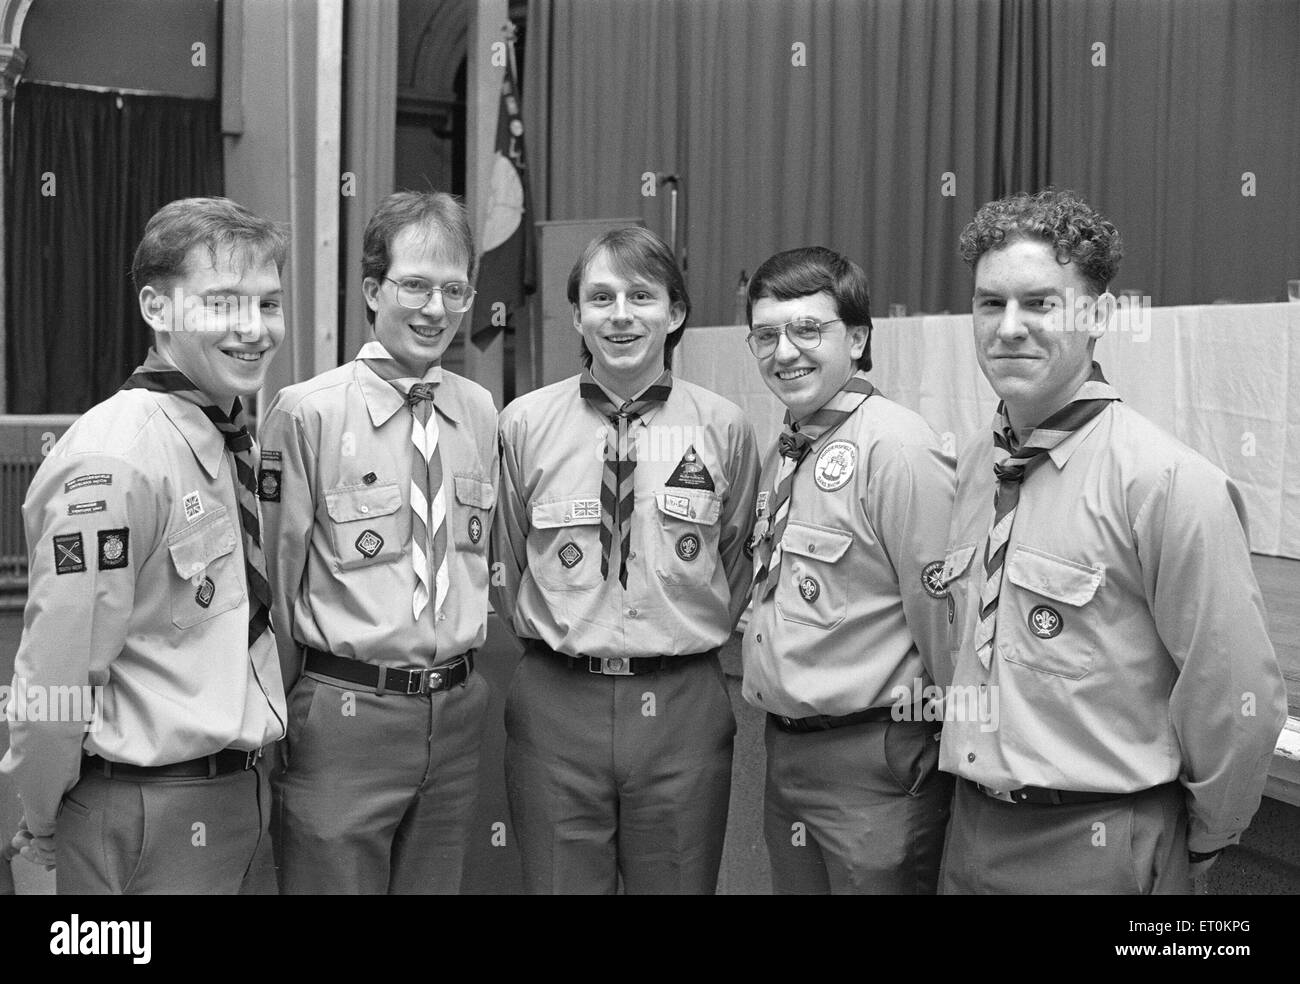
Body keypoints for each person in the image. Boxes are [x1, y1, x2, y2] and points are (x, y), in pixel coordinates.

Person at [938, 188, 1288, 894]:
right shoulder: (980, 461)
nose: (1008, 327)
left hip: (1104, 846)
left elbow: (1235, 696)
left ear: (1097, 314)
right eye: (989, 303)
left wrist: (1203, 841)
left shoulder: (1168, 484)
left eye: (1040, 303)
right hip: (970, 833)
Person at [1, 197, 289, 893]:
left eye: (269, 304)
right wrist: (40, 817)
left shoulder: (227, 437)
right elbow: (56, 676)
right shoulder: (114, 460)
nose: (253, 330)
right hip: (141, 814)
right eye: (222, 304)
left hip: (240, 799)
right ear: (157, 309)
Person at [491, 226, 759, 894]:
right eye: (600, 297)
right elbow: (504, 564)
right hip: (557, 699)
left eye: (641, 295)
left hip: (682, 702)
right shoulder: (523, 424)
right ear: (576, 313)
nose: (620, 315)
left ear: (675, 313)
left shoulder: (725, 427)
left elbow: (737, 558)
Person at [259, 191, 497, 894]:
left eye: (454, 290)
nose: (435, 309)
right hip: (345, 713)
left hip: (454, 713)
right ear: (372, 289)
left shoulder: (478, 410)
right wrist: (275, 723)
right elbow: (271, 585)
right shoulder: (309, 412)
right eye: (416, 285)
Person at [740, 246, 956, 894]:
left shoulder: (895, 447)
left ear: (858, 338)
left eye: (809, 329)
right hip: (787, 751)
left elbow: (944, 620)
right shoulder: (793, 444)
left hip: (875, 763)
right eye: (767, 335)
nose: (785, 352)